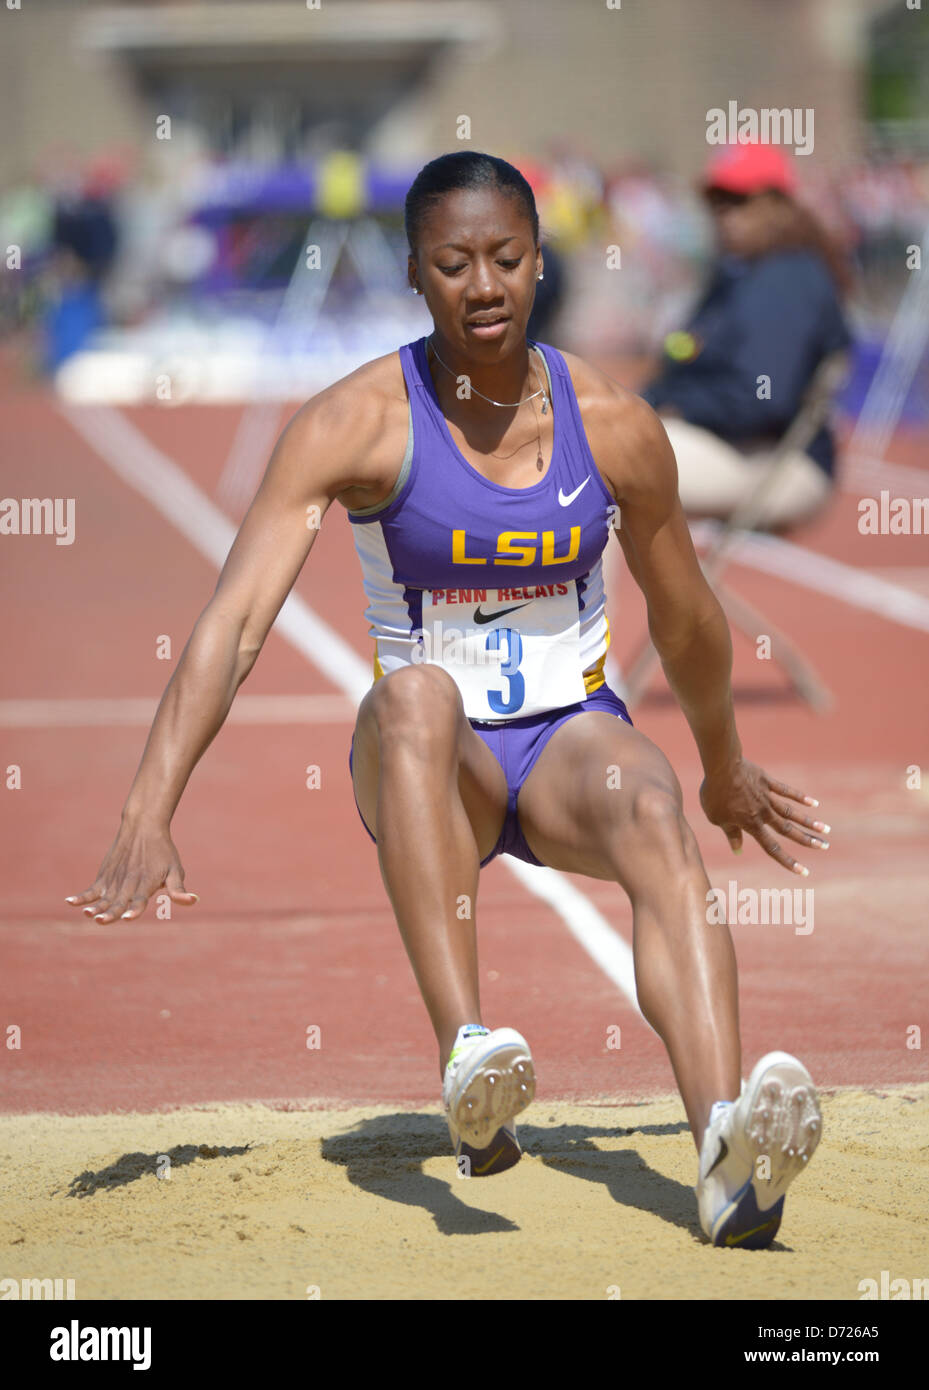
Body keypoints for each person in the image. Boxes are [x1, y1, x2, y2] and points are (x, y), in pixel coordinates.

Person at [67, 152, 829, 1247]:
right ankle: (468, 1056)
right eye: (453, 263)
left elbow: (688, 621)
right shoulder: (355, 422)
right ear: (414, 275)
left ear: (539, 264)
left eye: (506, 259)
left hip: (567, 745)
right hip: (430, 768)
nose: (483, 286)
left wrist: (720, 769)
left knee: (654, 811)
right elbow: (234, 625)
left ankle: (724, 1154)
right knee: (417, 695)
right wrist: (149, 807)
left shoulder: (610, 423)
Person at [640, 141, 852, 528]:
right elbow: (682, 350)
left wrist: (677, 405)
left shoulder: (787, 279)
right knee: (600, 444)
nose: (725, 214)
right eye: (716, 202)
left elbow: (762, 398)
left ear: (778, 204)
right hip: (729, 443)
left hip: (776, 460)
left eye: (738, 200)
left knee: (603, 462)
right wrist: (649, 400)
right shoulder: (736, 274)